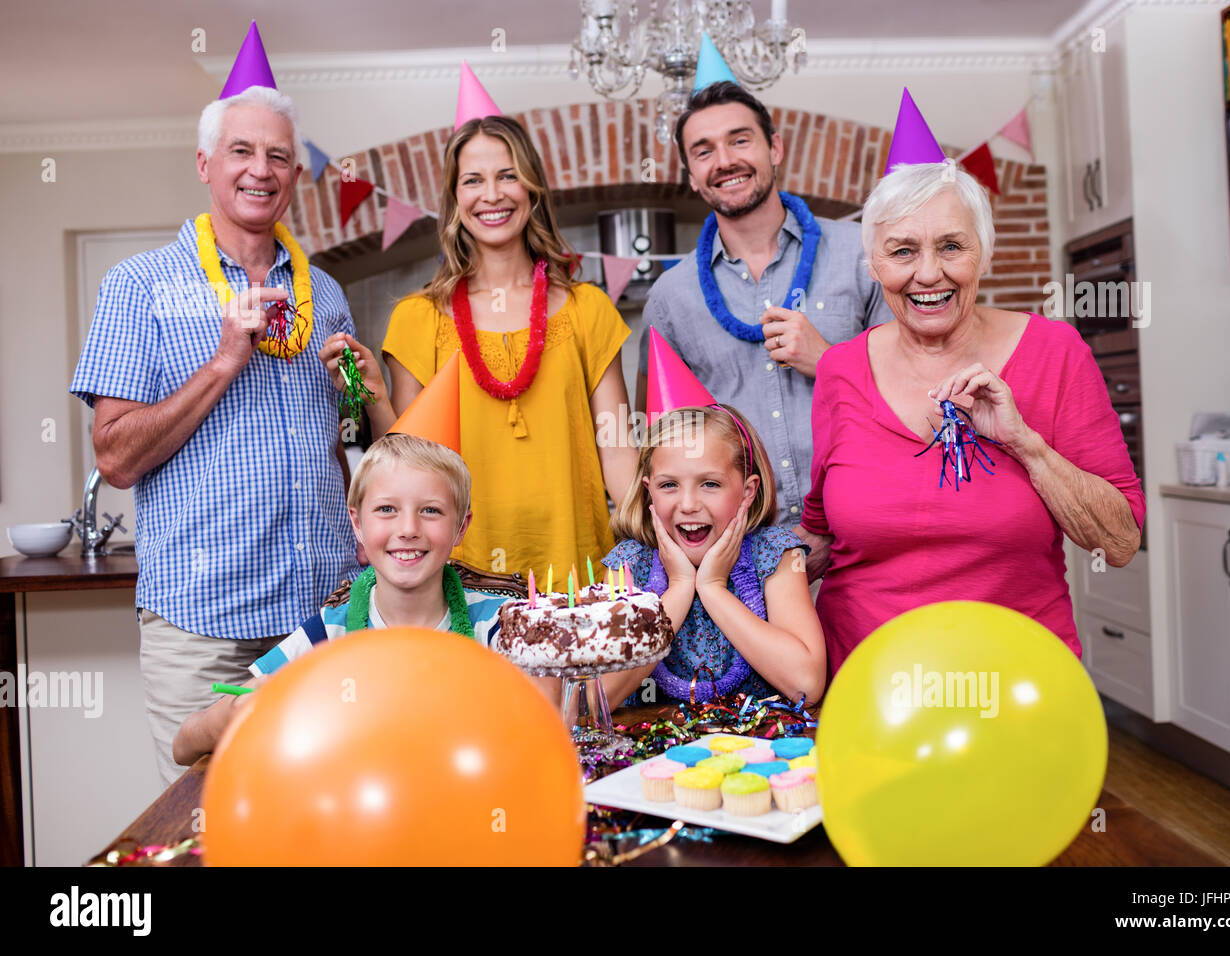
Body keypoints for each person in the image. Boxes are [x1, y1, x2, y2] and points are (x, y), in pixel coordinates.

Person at [69, 50, 359, 785]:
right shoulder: (139, 287)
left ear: (295, 175)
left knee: (325, 816)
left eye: (278, 156)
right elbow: (116, 458)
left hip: (321, 619)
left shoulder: (324, 291)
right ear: (204, 163)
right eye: (241, 151)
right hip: (203, 629)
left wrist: (363, 390)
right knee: (209, 829)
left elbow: (347, 443)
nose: (260, 169)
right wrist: (226, 358)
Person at [799, 161, 1145, 676]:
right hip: (867, 689)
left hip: (1016, 684)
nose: (929, 273)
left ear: (984, 254)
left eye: (951, 246)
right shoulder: (839, 369)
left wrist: (1026, 445)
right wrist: (714, 574)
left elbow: (1118, 542)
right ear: (873, 264)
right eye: (902, 251)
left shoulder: (1055, 352)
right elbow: (823, 537)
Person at [340, 97, 637, 579]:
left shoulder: (589, 310)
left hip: (579, 566)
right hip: (460, 573)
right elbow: (410, 463)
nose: (492, 194)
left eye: (508, 175)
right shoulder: (418, 318)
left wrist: (663, 542)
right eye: (473, 180)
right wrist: (371, 393)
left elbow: (618, 450)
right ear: (455, 198)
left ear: (532, 189)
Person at [637, 80, 894, 558]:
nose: (725, 161)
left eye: (740, 139)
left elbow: (916, 396)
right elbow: (660, 448)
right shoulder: (670, 300)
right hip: (740, 562)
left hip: (866, 543)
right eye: (703, 150)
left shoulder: (862, 255)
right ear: (691, 175)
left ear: (773, 147)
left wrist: (831, 363)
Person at [172, 433, 515, 765]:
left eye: (431, 511)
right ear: (356, 523)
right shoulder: (325, 636)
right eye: (386, 509)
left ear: (461, 526)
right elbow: (183, 746)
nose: (409, 528)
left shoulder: (500, 628)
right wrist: (230, 716)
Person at [599, 404, 826, 707]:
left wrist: (714, 589)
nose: (689, 503)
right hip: (652, 750)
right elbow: (599, 694)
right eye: (669, 485)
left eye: (710, 484)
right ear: (648, 490)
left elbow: (806, 686)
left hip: (757, 748)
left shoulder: (775, 555)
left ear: (748, 491)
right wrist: (679, 587)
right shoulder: (627, 564)